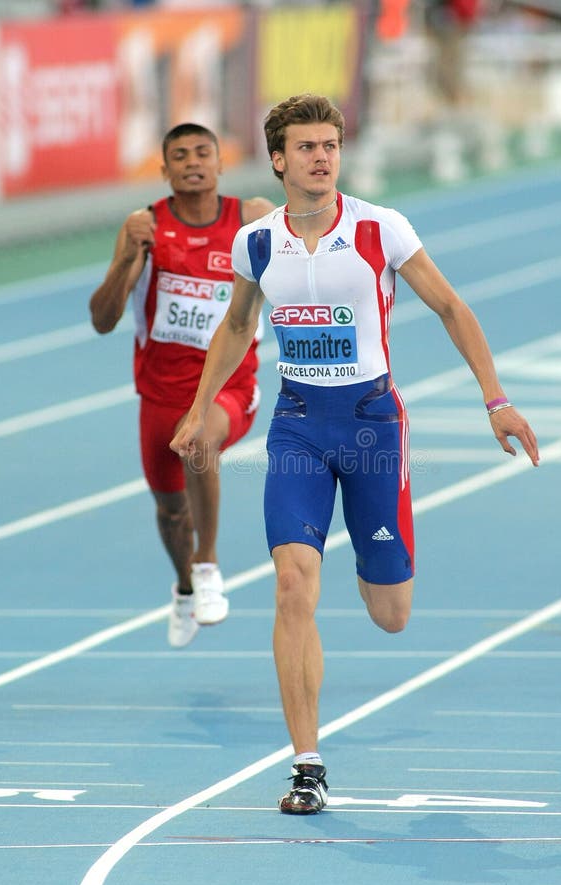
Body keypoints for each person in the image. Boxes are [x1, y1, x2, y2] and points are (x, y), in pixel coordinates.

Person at [170, 95, 539, 814]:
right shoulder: (259, 241)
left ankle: (380, 556)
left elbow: (451, 308)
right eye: (305, 147)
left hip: (372, 428)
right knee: (290, 584)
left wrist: (496, 400)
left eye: (330, 145)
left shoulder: (380, 227)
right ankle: (306, 765)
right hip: (299, 426)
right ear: (277, 159)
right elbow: (239, 323)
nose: (321, 157)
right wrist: (197, 405)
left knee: (390, 613)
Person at [89, 123, 273, 649]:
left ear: (220, 164)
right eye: (179, 155)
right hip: (159, 394)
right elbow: (102, 320)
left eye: (203, 153)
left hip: (227, 388)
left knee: (200, 442)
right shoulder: (143, 226)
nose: (192, 162)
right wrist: (128, 259)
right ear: (165, 170)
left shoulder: (250, 219)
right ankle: (186, 584)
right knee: (171, 512)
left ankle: (209, 562)